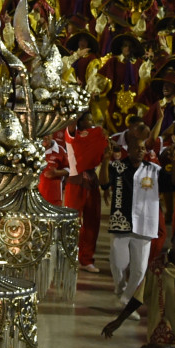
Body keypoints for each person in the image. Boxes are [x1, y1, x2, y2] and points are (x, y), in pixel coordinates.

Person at [106, 134, 173, 303]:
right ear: (128, 150)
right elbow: (104, 184)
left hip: (144, 224)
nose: (140, 151)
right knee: (118, 263)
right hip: (121, 222)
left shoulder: (154, 169)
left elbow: (173, 184)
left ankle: (127, 297)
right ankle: (120, 286)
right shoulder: (117, 166)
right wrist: (104, 161)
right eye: (137, 148)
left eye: (143, 148)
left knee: (139, 269)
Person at [60, 108, 109, 272]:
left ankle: (87, 259)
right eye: (88, 120)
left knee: (92, 222)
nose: (91, 123)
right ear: (79, 122)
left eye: (92, 120)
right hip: (75, 181)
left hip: (92, 182)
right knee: (72, 222)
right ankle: (68, 257)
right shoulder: (72, 135)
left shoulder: (98, 136)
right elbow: (71, 124)